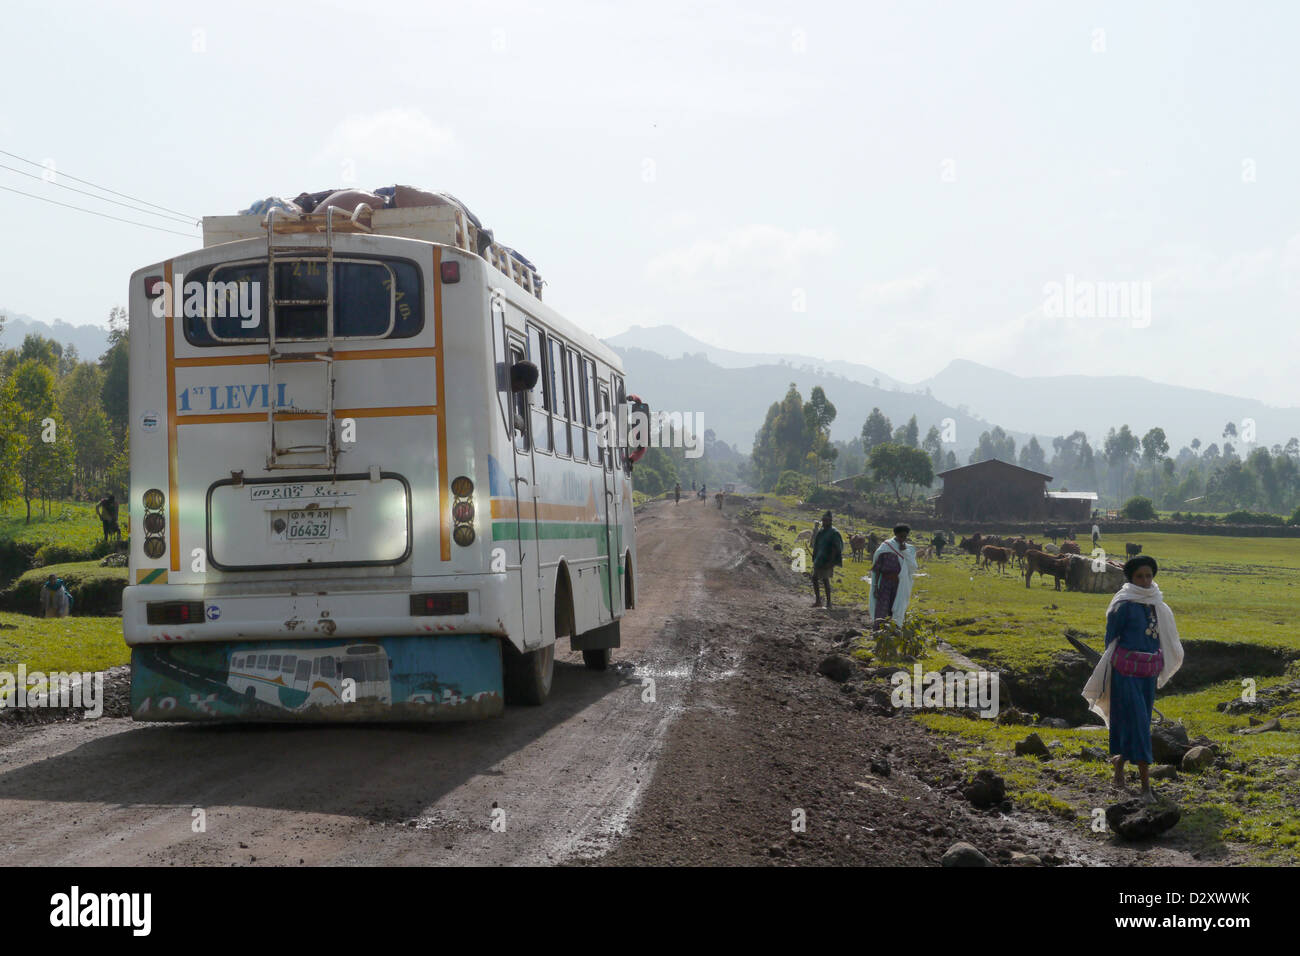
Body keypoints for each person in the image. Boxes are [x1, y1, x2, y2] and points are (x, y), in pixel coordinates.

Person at [1082, 556, 1184, 802]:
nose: (1146, 581)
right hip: (1125, 674)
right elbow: (1111, 641)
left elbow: (1163, 639)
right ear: (1130, 578)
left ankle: (1119, 773)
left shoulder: (1157, 604)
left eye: (1149, 575)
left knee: (1136, 721)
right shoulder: (1123, 605)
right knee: (1136, 723)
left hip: (1147, 674)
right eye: (1140, 576)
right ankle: (1146, 787)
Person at [868, 524, 919, 626]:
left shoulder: (909, 549)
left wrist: (904, 551)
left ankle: (893, 631)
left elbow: (912, 567)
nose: (902, 539)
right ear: (896, 535)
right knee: (882, 608)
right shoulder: (886, 547)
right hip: (885, 583)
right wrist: (875, 587)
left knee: (896, 608)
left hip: (899, 584)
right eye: (900, 536)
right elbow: (877, 569)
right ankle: (878, 631)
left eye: (905, 537)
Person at [809, 511, 844, 609]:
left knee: (825, 580)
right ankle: (818, 601)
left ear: (830, 521)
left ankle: (829, 603)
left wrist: (831, 562)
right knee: (814, 578)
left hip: (828, 561)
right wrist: (815, 557)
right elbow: (817, 545)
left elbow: (837, 548)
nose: (823, 522)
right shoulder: (821, 531)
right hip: (819, 560)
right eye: (823, 520)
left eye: (826, 520)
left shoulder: (834, 533)